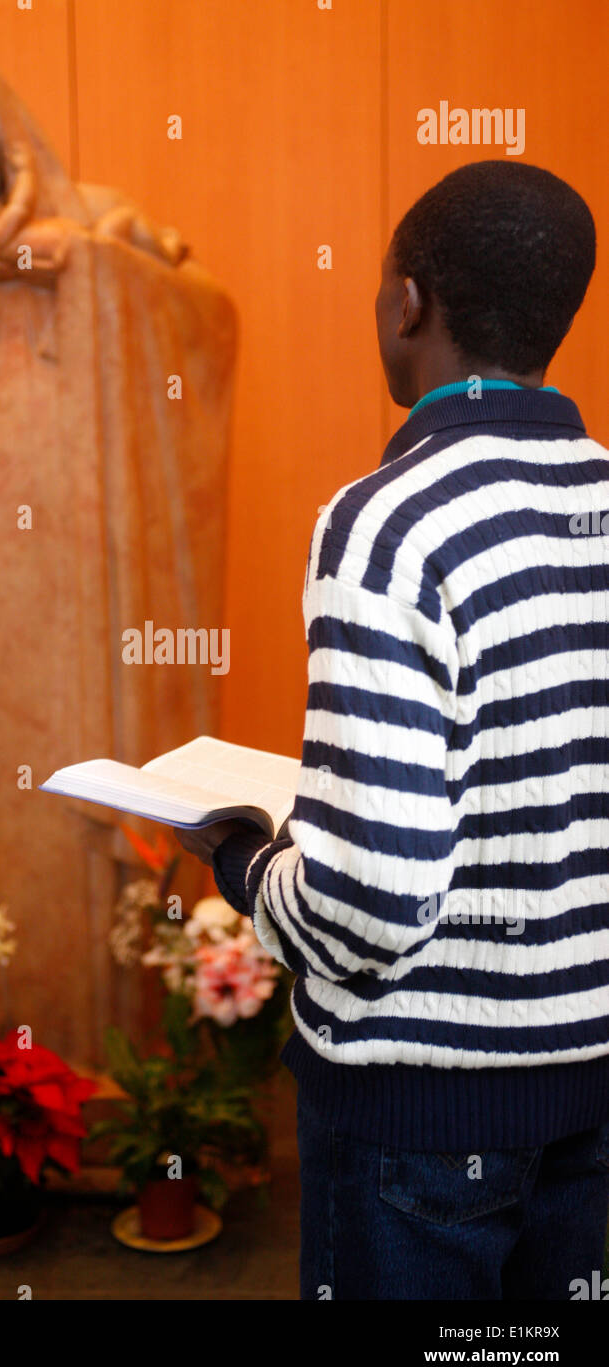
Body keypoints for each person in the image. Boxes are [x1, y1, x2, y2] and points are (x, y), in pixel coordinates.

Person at [177, 160, 609, 1301]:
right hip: (589, 1090)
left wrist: (241, 858)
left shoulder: (388, 526)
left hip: (419, 1113)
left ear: (404, 302)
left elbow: (366, 908)